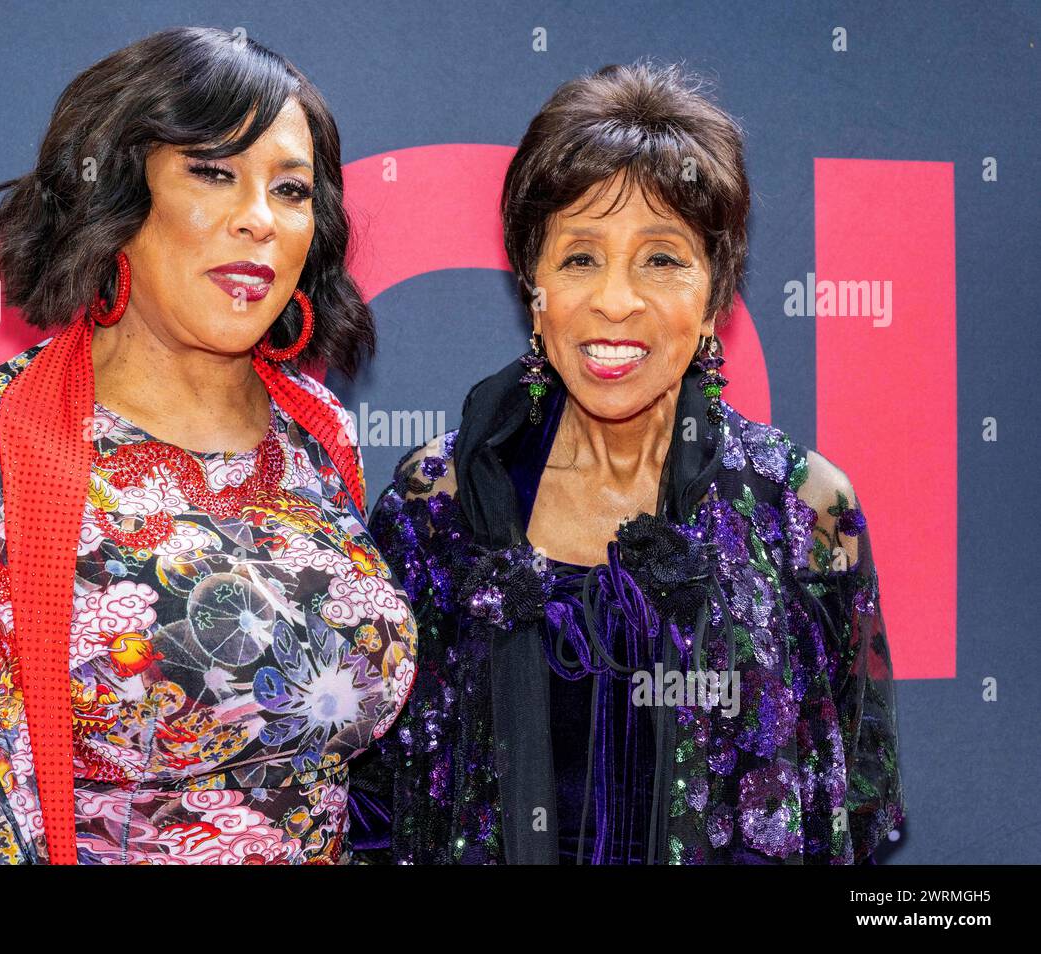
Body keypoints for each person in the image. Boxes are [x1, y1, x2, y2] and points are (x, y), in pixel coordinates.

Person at [349, 60, 904, 864]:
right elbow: (376, 807)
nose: (616, 299)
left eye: (661, 258)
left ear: (715, 296)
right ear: (532, 287)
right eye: (579, 258)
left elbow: (845, 801)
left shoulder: (803, 510)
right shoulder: (435, 506)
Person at [0, 26, 416, 864]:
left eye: (291, 190)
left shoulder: (318, 430)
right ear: (117, 195)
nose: (258, 221)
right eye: (213, 173)